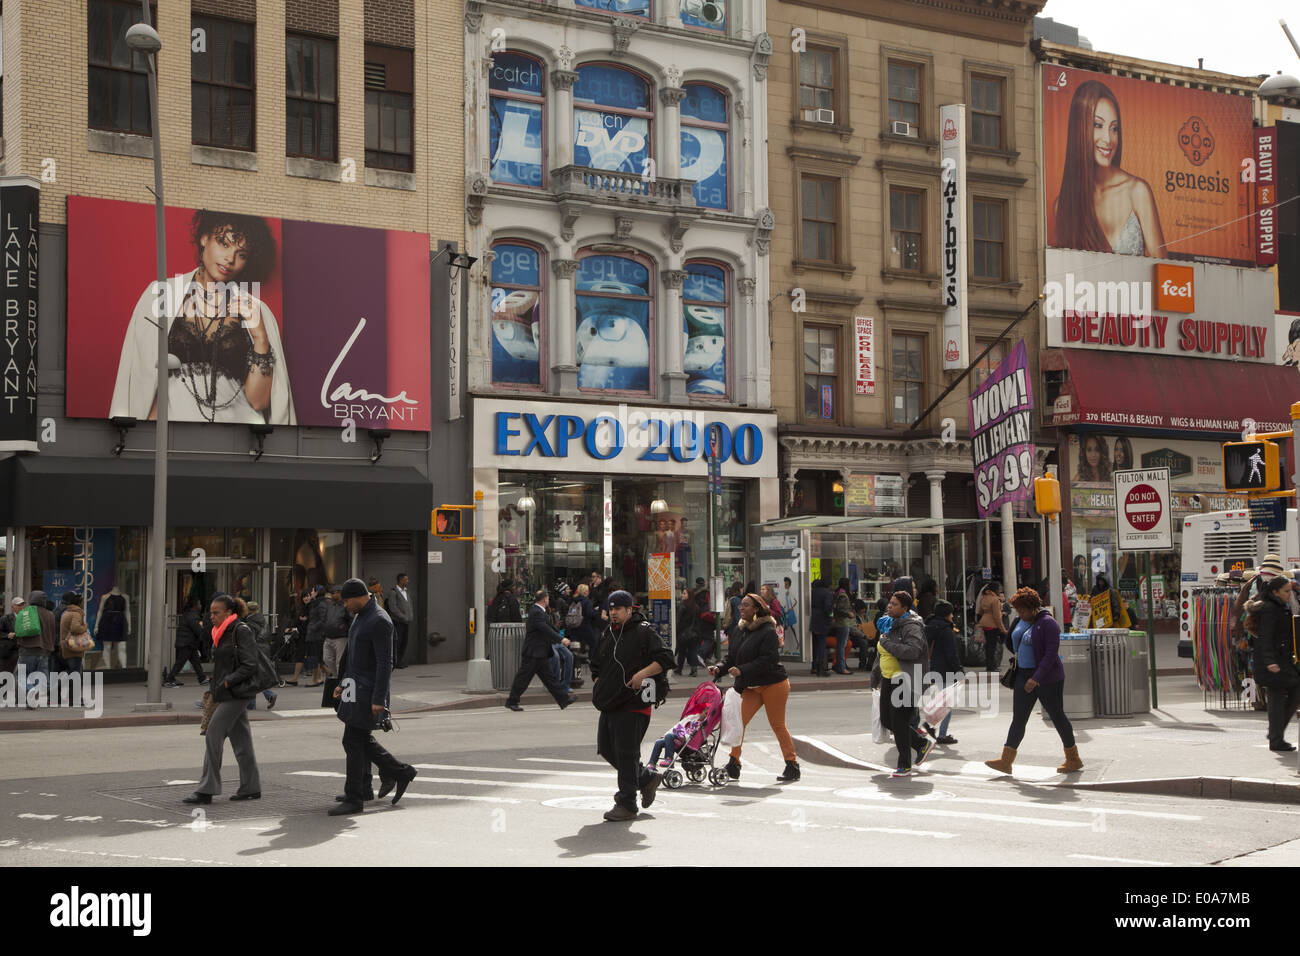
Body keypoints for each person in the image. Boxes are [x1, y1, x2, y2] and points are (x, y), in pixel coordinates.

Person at [111, 209, 294, 425]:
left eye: (241, 254)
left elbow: (259, 403)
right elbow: (140, 377)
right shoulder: (161, 294)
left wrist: (260, 337)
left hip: (238, 437)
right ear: (204, 238)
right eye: (224, 244)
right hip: (173, 434)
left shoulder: (256, 310)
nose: (230, 259)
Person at [331, 578, 418, 815]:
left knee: (353, 739)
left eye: (347, 601)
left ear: (358, 596)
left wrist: (379, 699)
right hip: (356, 686)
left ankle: (355, 797)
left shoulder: (379, 620)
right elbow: (353, 655)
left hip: (368, 691)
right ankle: (398, 773)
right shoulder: (361, 616)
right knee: (358, 739)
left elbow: (384, 662)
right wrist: (342, 683)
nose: (346, 605)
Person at [1052, 79, 1166, 257]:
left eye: (1114, 128)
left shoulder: (1137, 191)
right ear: (1079, 128)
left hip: (1139, 286)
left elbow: (1164, 270)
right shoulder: (1063, 206)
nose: (1108, 139)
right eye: (1098, 125)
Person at [590, 590, 676, 821]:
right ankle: (646, 779)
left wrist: (643, 674)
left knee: (627, 753)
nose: (614, 613)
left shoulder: (643, 632)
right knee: (607, 748)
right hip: (610, 701)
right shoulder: (608, 633)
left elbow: (667, 658)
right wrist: (599, 683)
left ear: (630, 609)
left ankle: (627, 803)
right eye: (611, 609)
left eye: (618, 609)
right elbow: (596, 664)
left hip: (635, 703)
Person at [984, 588, 1083, 776]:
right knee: (1019, 718)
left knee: (1057, 716)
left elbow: (1050, 655)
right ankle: (1006, 761)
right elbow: (1012, 640)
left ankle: (1073, 758)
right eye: (1017, 610)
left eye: (1023, 610)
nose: (1020, 613)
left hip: (1047, 678)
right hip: (1022, 674)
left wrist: (1036, 678)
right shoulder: (1019, 620)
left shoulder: (1048, 624)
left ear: (1033, 607)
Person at [710, 592, 801, 782]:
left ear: (757, 609)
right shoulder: (739, 629)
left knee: (777, 725)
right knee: (739, 723)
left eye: (746, 605)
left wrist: (742, 670)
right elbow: (731, 658)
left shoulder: (768, 630)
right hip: (751, 686)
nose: (741, 609)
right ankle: (734, 763)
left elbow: (768, 660)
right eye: (740, 606)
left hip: (773, 684)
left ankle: (792, 765)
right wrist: (719, 668)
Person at [183, 595, 262, 805]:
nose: (212, 616)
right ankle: (251, 787)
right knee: (241, 741)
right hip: (226, 692)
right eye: (210, 612)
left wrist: (227, 682)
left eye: (216, 612)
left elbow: (250, 664)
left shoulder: (240, 630)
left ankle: (207, 789)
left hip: (237, 693)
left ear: (229, 612)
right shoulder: (220, 632)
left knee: (213, 734)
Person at [872, 590, 935, 777]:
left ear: (905, 608)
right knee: (886, 720)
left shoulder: (912, 627)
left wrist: (887, 644)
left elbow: (913, 651)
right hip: (889, 679)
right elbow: (881, 654)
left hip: (906, 680)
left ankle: (904, 765)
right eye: (889, 603)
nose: (889, 606)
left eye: (895, 604)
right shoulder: (888, 624)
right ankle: (920, 743)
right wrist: (876, 677)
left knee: (899, 722)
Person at [1246, 575, 1300, 752]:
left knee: (1286, 694)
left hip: (1279, 660)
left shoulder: (1278, 606)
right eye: (1286, 591)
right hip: (1272, 662)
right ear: (1275, 592)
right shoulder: (1270, 609)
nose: (1288, 595)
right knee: (1281, 696)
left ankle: (1276, 734)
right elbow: (1266, 638)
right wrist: (1269, 661)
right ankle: (1276, 737)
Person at [505, 589, 576, 712]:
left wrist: (560, 636)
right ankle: (512, 701)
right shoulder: (537, 612)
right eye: (547, 598)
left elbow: (549, 627)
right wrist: (561, 639)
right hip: (533, 652)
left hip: (540, 653)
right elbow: (544, 628)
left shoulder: (540, 612)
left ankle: (563, 700)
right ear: (545, 599)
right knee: (523, 678)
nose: (548, 600)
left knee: (550, 679)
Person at [923, 600, 963, 744]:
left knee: (941, 700)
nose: (952, 616)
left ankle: (930, 725)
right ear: (947, 614)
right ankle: (940, 733)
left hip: (931, 668)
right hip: (946, 670)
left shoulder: (928, 626)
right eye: (951, 613)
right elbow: (952, 654)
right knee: (947, 703)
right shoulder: (946, 630)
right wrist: (959, 671)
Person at [15, 591, 57, 707]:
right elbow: (52, 633)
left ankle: (30, 690)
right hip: (44, 650)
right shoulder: (50, 614)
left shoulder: (26, 612)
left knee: (22, 676)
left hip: (27, 650)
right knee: (42, 676)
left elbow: (19, 630)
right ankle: (33, 697)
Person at [165, 597, 208, 688]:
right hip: (187, 643)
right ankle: (170, 679)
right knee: (180, 662)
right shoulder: (193, 616)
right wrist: (204, 633)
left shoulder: (188, 614)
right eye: (199, 604)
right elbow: (197, 629)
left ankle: (202, 678)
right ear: (195, 606)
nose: (200, 606)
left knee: (195, 662)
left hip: (188, 643)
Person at [243, 600, 278, 711]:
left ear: (249, 610)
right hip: (264, 649)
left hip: (255, 650)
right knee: (257, 675)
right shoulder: (261, 619)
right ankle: (269, 695)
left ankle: (251, 704)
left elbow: (250, 640)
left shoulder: (250, 622)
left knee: (252, 676)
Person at [56, 593, 90, 707]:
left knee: (69, 673)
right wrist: (85, 626)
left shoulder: (67, 612)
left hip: (65, 646)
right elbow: (75, 628)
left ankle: (62, 696)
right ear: (79, 603)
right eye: (82, 602)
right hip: (73, 648)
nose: (83, 604)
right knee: (75, 674)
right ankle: (74, 699)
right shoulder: (76, 613)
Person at [320, 586, 351, 680]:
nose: (332, 595)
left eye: (334, 593)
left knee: (340, 661)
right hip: (329, 636)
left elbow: (350, 620)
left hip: (341, 637)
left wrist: (347, 632)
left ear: (340, 593)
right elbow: (326, 619)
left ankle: (340, 679)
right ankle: (337, 676)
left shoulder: (346, 606)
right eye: (332, 593)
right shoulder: (330, 606)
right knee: (327, 658)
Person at [976, 582, 1007, 672]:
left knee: (988, 646)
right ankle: (991, 666)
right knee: (992, 646)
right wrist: (1003, 629)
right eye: (998, 589)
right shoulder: (995, 600)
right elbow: (997, 616)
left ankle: (989, 665)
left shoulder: (984, 598)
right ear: (995, 590)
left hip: (985, 623)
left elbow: (980, 611)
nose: (999, 591)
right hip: (992, 624)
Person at [673, 585, 703, 677]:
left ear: (689, 595)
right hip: (694, 633)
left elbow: (678, 621)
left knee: (682, 651)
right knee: (693, 651)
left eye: (684, 593)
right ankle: (694, 669)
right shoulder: (696, 607)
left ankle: (679, 669)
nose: (682, 595)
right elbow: (698, 621)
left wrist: (676, 631)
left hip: (683, 633)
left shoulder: (682, 606)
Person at [385, 572, 412, 669]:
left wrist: (409, 616)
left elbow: (408, 606)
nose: (407, 581)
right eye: (405, 580)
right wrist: (403, 616)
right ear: (400, 580)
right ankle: (395, 662)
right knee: (398, 642)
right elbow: (393, 608)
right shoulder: (393, 592)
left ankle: (400, 660)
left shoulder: (406, 592)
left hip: (406, 621)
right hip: (398, 621)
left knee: (404, 642)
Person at [830, 578, 855, 674]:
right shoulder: (843, 595)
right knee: (842, 646)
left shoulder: (838, 593)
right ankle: (842, 667)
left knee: (841, 645)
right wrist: (849, 614)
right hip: (843, 623)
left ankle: (840, 665)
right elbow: (840, 609)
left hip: (839, 622)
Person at [809, 577, 833, 677]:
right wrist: (831, 616)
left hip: (814, 618)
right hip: (822, 619)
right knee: (822, 644)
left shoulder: (813, 592)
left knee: (815, 644)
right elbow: (828, 607)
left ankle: (814, 666)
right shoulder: (827, 593)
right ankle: (821, 668)